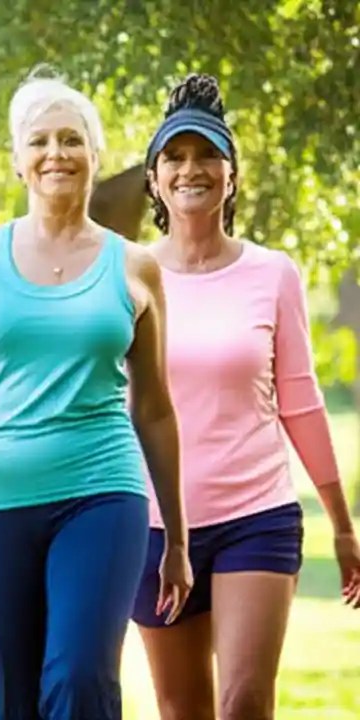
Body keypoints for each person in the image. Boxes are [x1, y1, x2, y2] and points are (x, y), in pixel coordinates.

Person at [0, 70, 193, 720]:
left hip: (102, 493)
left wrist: (175, 538)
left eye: (71, 140)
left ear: (95, 154)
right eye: (39, 141)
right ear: (17, 160)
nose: (56, 153)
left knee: (80, 678)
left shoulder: (135, 267)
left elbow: (153, 408)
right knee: (17, 696)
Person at [130, 73, 360, 720]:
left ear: (232, 175)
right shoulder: (128, 274)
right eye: (173, 157)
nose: (190, 169)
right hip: (153, 526)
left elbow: (301, 402)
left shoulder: (272, 273)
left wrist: (342, 526)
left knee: (245, 704)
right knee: (183, 710)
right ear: (153, 178)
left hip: (256, 518)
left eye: (207, 155)